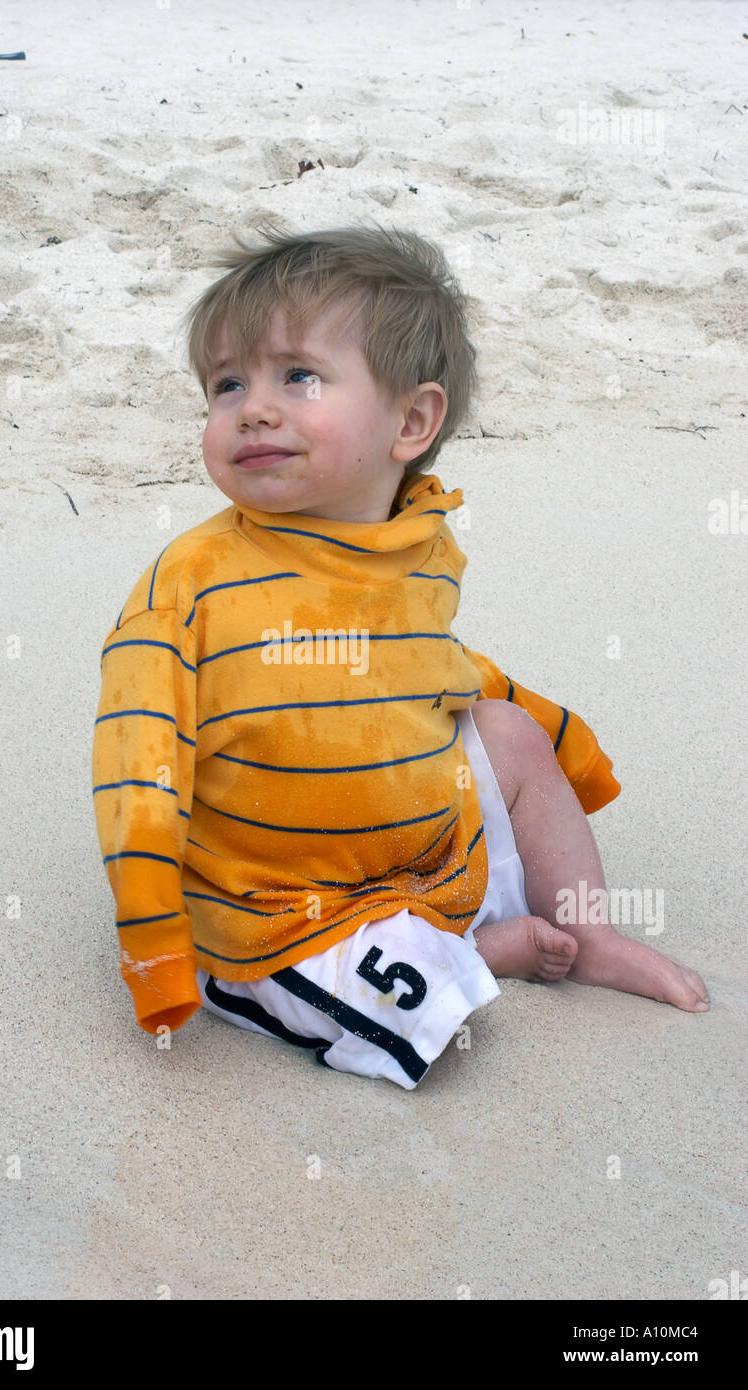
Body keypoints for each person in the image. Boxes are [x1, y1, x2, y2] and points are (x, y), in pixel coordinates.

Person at [91, 222, 709, 1089]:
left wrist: (558, 747)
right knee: (408, 1008)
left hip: (418, 854)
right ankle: (478, 955)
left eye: (296, 375)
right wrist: (154, 938)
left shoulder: (415, 545)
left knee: (499, 727)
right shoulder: (191, 581)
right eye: (226, 384)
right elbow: (137, 760)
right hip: (280, 908)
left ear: (412, 420)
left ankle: (588, 933)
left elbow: (434, 667)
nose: (252, 407)